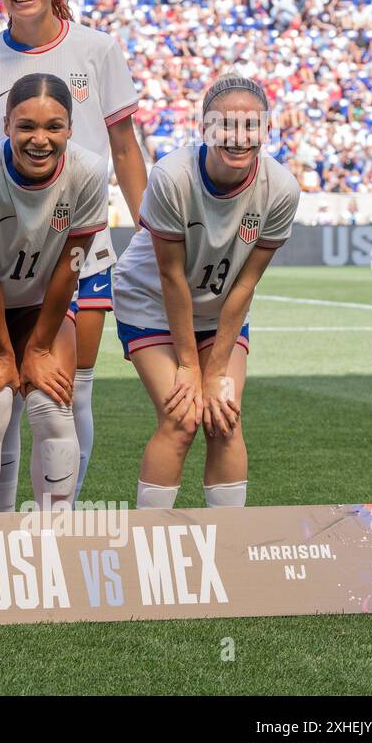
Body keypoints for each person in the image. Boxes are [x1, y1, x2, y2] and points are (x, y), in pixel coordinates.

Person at [0, 0, 146, 508]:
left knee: (69, 393)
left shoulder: (98, 49)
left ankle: (55, 522)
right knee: (0, 395)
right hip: (1, 249)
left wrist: (151, 233)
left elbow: (126, 148)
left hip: (77, 247)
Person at [114, 76, 300, 509]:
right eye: (226, 125)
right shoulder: (172, 177)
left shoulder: (282, 189)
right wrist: (187, 364)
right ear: (205, 128)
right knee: (181, 419)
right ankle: (150, 547)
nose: (238, 137)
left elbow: (246, 283)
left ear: (266, 130)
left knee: (224, 418)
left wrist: (213, 371)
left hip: (220, 309)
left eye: (250, 126)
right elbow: (170, 276)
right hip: (151, 303)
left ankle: (228, 549)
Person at [0, 73, 107, 512]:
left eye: (54, 127)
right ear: (6, 124)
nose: (40, 139)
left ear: (70, 129)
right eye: (26, 126)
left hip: (39, 299)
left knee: (53, 408)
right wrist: (2, 354)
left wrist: (40, 347)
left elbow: (72, 264)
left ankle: (54, 543)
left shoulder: (88, 172)